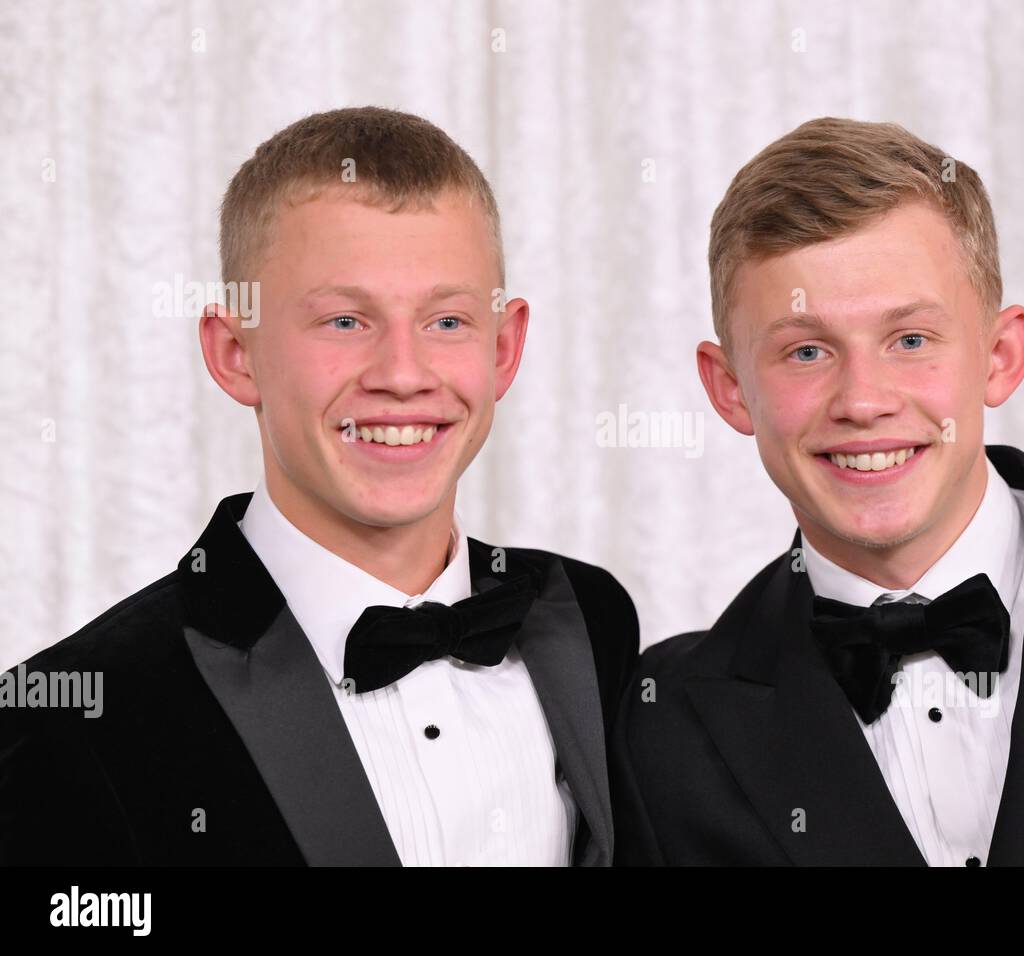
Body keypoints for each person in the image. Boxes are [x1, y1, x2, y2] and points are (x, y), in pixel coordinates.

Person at [610, 117, 1024, 866]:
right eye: (805, 351)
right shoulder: (660, 728)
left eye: (910, 340)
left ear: (1000, 356)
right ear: (730, 389)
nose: (863, 401)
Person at [0, 107, 638, 866]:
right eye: (343, 321)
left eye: (446, 321)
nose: (403, 375)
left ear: (504, 348)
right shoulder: (74, 715)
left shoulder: (590, 620)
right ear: (235, 353)